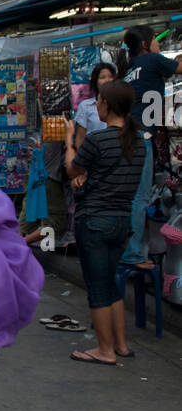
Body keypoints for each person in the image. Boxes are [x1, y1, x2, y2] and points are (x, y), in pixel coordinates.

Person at [64, 80, 145, 365]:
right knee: (111, 285)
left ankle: (105, 350)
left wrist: (68, 142)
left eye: (98, 102)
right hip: (122, 220)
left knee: (98, 288)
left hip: (95, 220)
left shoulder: (99, 140)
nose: (96, 106)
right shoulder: (139, 143)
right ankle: (121, 345)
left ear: (107, 106)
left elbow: (72, 168)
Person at [119, 26, 182, 271]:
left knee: (132, 195)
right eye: (156, 40)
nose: (158, 44)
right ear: (146, 44)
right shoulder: (153, 60)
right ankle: (133, 254)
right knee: (140, 197)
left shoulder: (131, 68)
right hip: (141, 135)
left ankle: (128, 249)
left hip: (127, 135)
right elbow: (178, 69)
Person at [74, 62, 116, 149]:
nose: (107, 80)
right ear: (95, 81)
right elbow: (80, 138)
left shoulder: (119, 103)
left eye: (110, 77)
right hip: (92, 154)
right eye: (102, 77)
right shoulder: (85, 106)